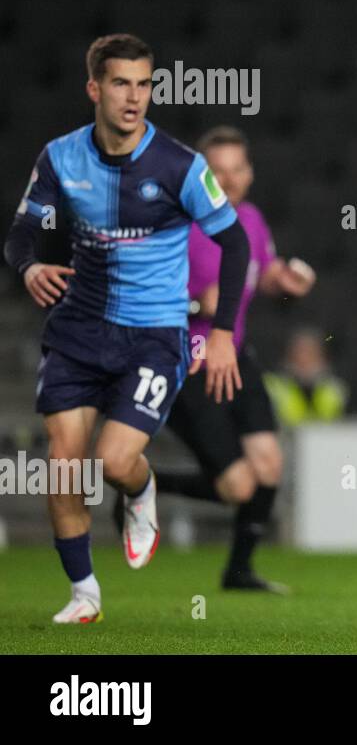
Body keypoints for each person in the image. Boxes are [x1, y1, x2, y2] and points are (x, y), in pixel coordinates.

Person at [3, 34, 248, 624]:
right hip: (79, 332)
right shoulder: (61, 157)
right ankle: (84, 593)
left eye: (144, 84)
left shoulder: (180, 167)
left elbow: (233, 241)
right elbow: (20, 236)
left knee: (112, 463)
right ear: (94, 88)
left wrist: (220, 332)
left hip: (153, 336)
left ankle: (140, 490)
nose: (134, 97)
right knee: (65, 465)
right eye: (120, 83)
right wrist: (31, 264)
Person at [144, 126, 315, 592]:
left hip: (235, 357)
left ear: (250, 173)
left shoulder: (252, 220)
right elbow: (145, 299)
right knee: (238, 487)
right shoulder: (177, 226)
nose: (230, 178)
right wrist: (201, 304)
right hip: (189, 366)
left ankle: (239, 571)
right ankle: (146, 482)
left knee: (269, 464)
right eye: (218, 170)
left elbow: (260, 274)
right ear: (200, 174)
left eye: (237, 169)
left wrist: (284, 280)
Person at [263, 327, 348, 426]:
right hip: (285, 438)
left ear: (321, 355)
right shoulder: (273, 384)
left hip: (327, 439)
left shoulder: (335, 386)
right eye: (300, 351)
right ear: (290, 354)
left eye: (310, 352)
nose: (304, 358)